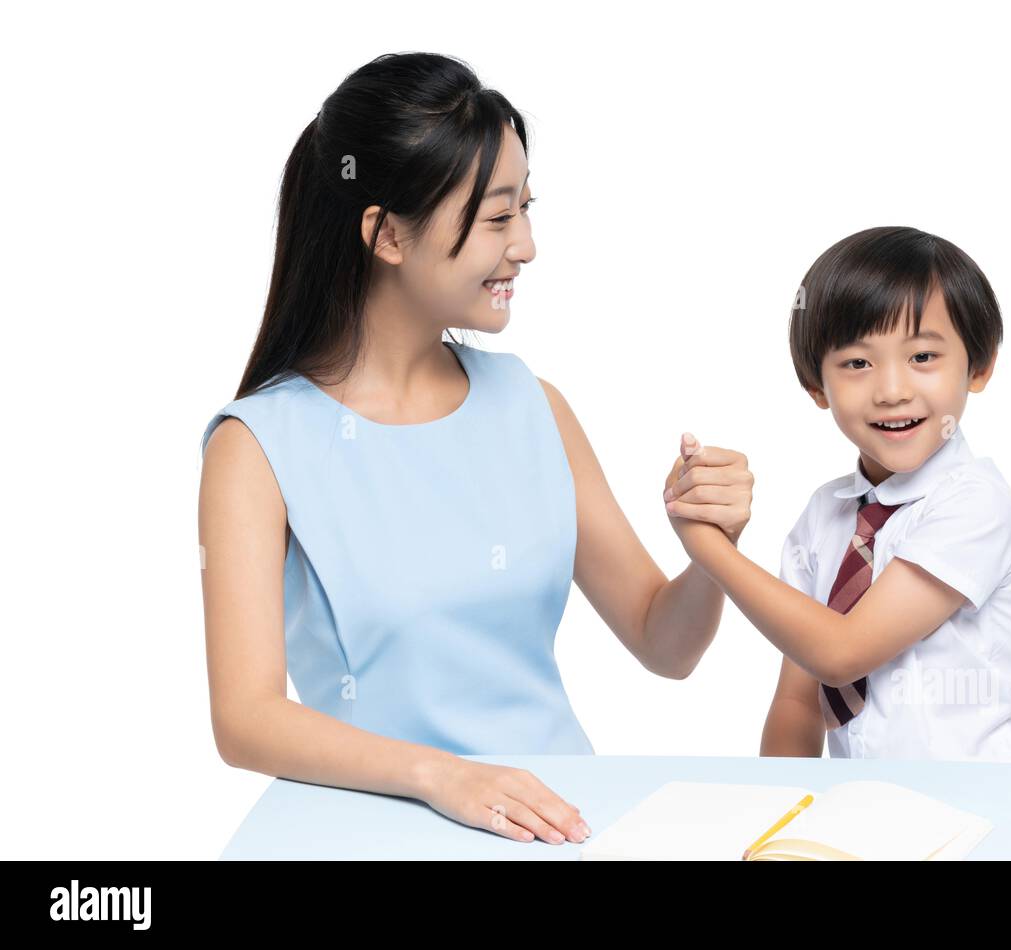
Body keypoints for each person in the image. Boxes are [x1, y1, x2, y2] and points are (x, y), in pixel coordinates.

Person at [198, 52, 753, 848]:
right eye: (497, 218)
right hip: (374, 833)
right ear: (386, 233)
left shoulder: (533, 404)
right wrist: (441, 776)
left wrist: (710, 553)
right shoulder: (256, 448)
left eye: (526, 209)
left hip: (559, 824)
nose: (526, 246)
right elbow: (245, 720)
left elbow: (663, 644)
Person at [663, 226, 1011, 763]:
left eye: (922, 357)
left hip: (992, 822)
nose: (892, 390)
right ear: (816, 387)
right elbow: (797, 703)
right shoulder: (825, 517)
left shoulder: (975, 503)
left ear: (980, 366)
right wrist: (783, 820)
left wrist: (709, 548)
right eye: (857, 363)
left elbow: (841, 652)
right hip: (872, 820)